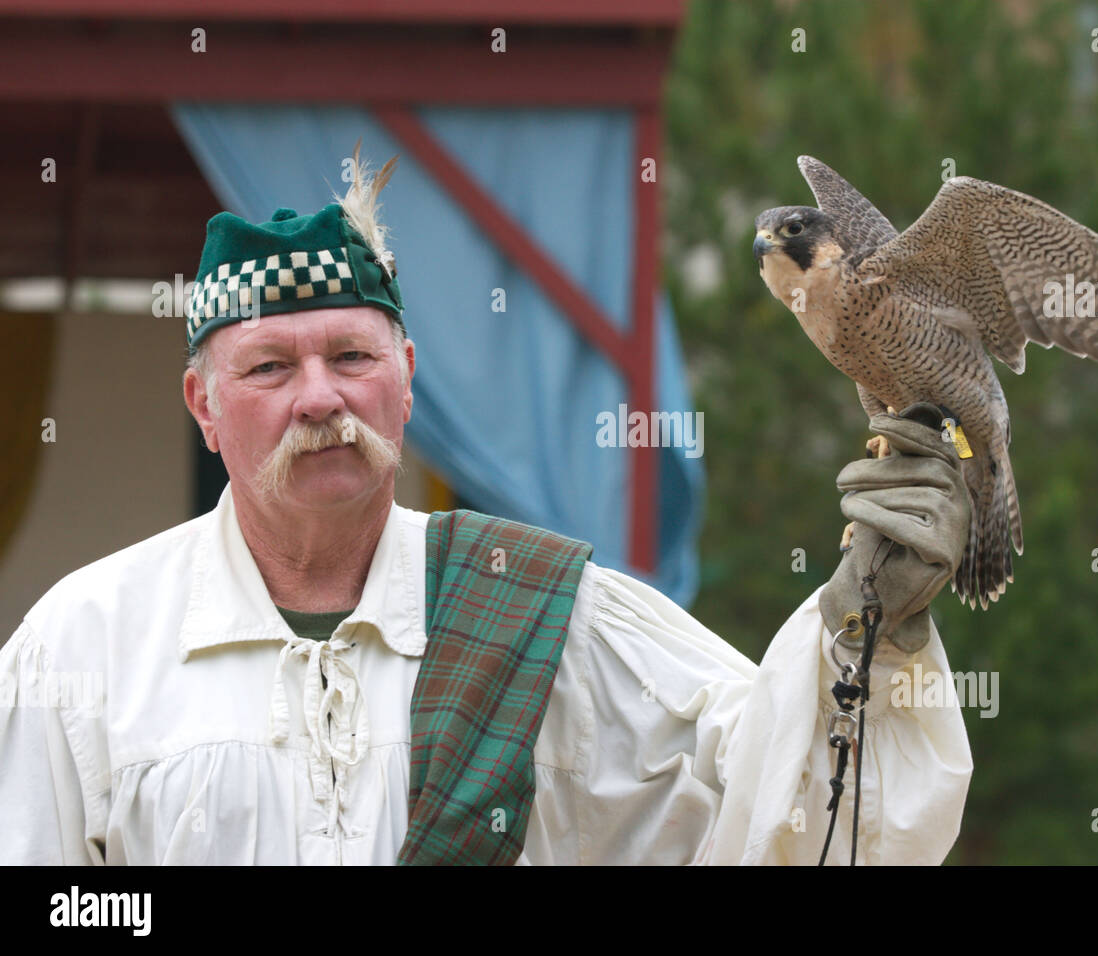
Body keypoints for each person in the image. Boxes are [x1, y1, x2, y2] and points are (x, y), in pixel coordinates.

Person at [0, 154, 974, 865]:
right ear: (203, 406)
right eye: (268, 367)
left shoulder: (551, 611)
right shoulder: (82, 648)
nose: (320, 397)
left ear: (406, 380)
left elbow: (782, 789)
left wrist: (865, 636)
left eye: (351, 356)